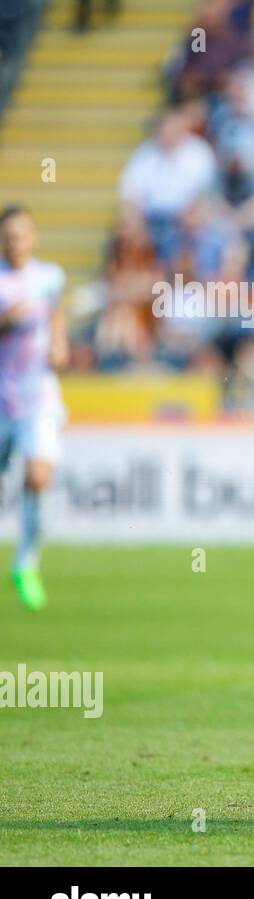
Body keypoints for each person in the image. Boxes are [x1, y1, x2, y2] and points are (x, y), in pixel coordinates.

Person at [0, 207, 69, 611]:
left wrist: (59, 343)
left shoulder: (49, 277)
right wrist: (8, 321)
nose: (16, 242)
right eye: (9, 236)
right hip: (1, 395)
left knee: (38, 476)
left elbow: (56, 313)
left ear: (34, 237)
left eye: (21, 235)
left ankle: (26, 563)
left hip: (38, 392)